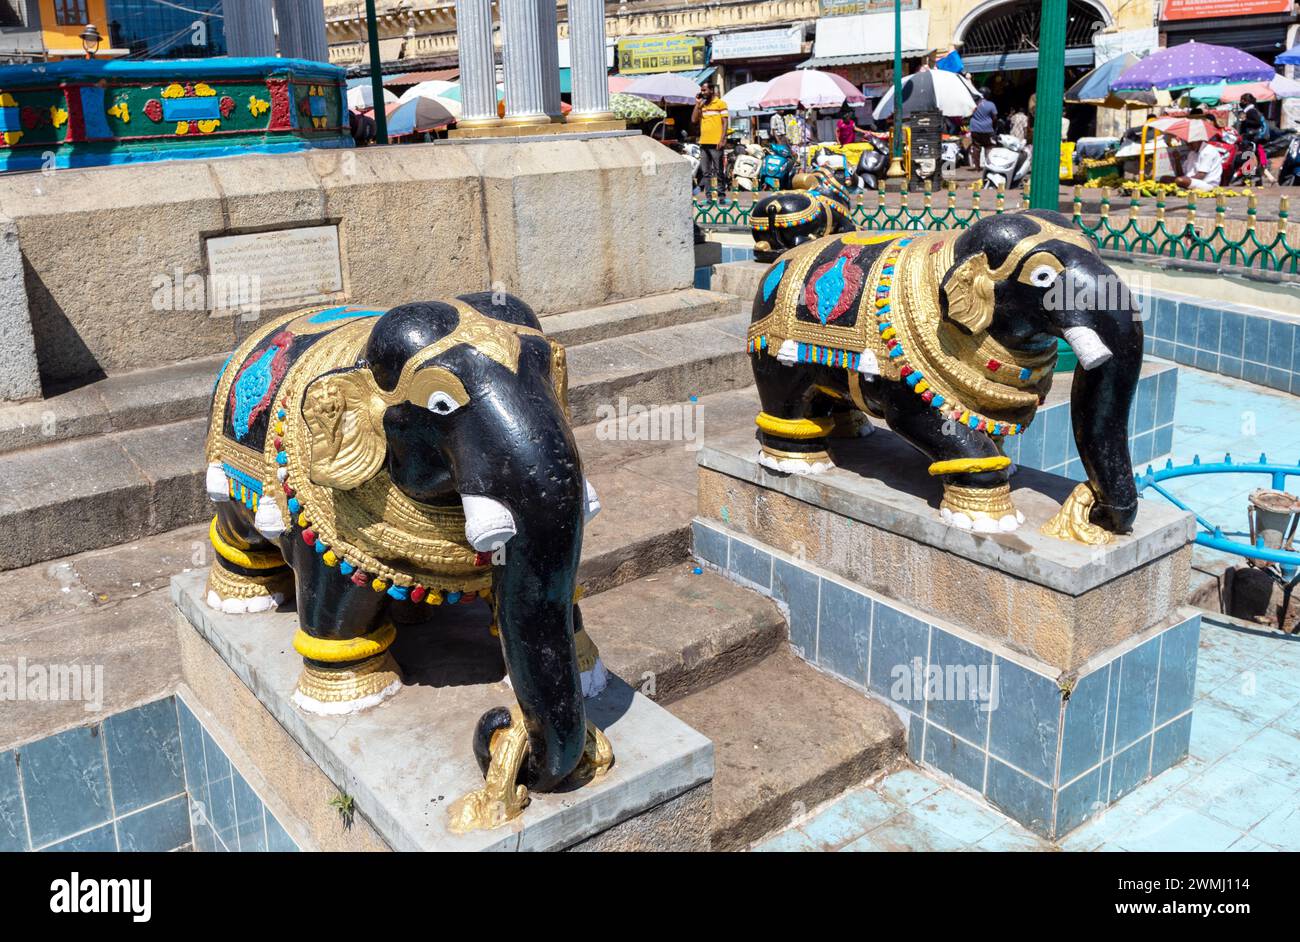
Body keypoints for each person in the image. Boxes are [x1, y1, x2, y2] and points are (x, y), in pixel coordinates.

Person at [692, 81, 728, 199]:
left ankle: (721, 196)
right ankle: (708, 197)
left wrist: (722, 139)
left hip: (716, 142)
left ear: (711, 90)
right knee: (705, 172)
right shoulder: (702, 105)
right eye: (701, 90)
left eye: (704, 90)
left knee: (719, 171)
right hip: (704, 142)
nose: (702, 92)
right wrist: (697, 104)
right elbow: (693, 120)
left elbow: (725, 123)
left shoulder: (720, 103)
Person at [969, 87, 998, 168]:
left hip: (975, 129)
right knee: (989, 146)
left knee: (976, 147)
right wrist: (993, 126)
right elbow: (995, 117)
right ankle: (989, 165)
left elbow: (968, 114)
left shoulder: (973, 104)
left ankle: (977, 167)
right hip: (988, 129)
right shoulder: (991, 104)